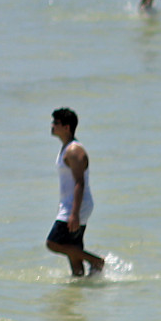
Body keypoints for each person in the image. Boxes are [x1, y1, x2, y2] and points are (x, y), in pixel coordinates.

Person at [45, 108, 103, 277]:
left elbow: (80, 182)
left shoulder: (74, 150)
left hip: (76, 206)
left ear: (67, 127)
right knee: (73, 251)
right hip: (71, 204)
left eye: (56, 123)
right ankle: (79, 287)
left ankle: (96, 261)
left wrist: (74, 214)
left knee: (53, 243)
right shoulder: (66, 148)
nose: (52, 126)